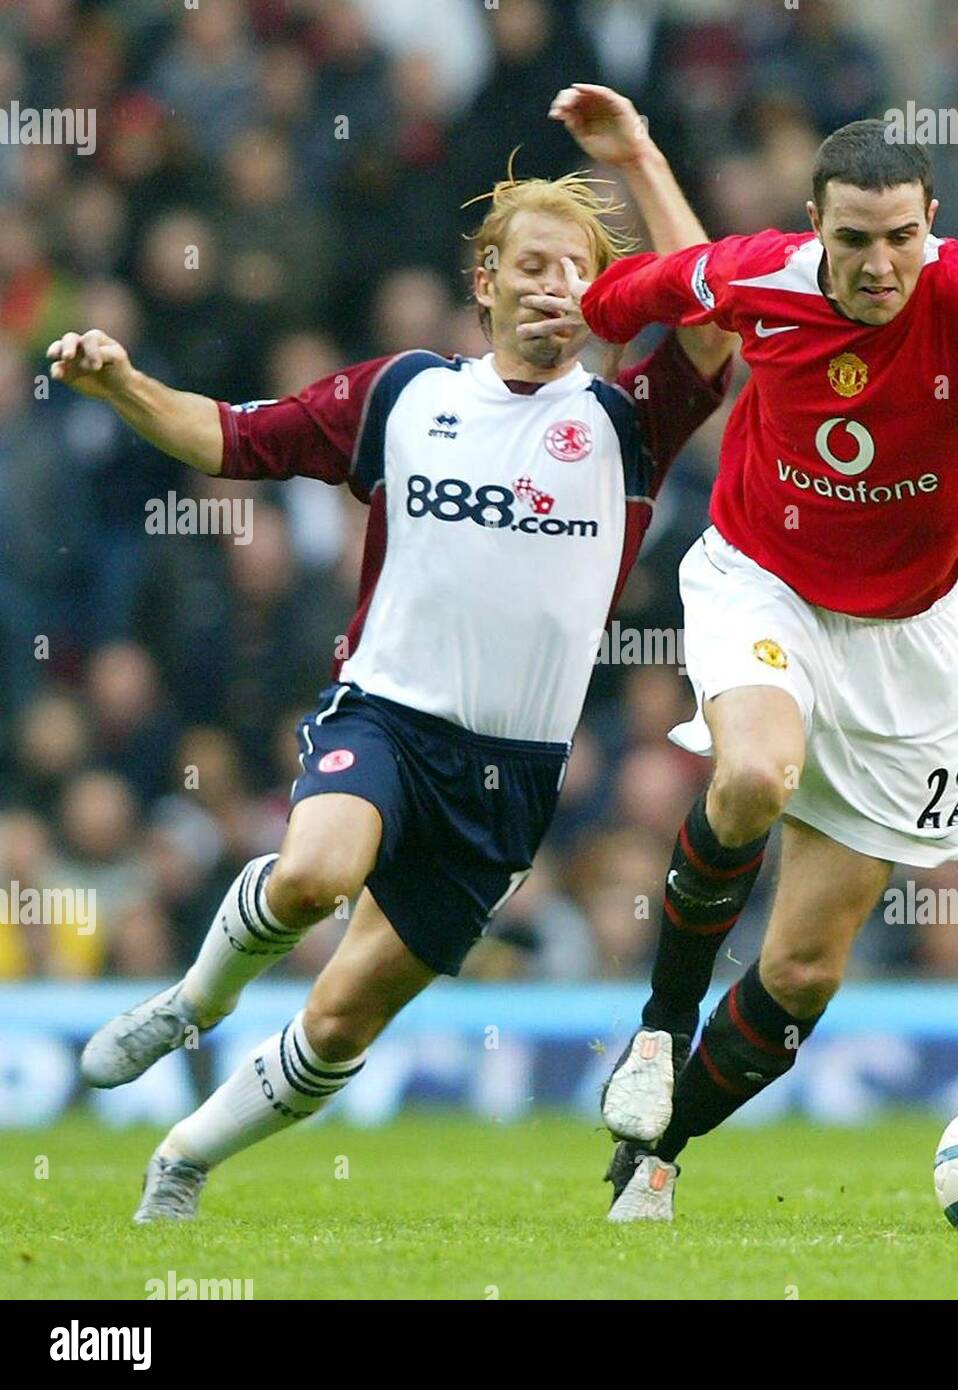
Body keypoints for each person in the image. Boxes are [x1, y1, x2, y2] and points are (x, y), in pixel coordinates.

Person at [60, 84, 734, 1223]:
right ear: (487, 281)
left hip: (509, 778)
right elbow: (227, 436)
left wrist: (642, 153)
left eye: (575, 267)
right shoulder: (406, 395)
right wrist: (122, 380)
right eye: (529, 263)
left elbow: (712, 311)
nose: (551, 285)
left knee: (337, 1021)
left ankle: (179, 1157)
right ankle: (190, 999)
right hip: (384, 715)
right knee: (316, 872)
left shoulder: (628, 423)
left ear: (600, 291)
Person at [576, 118, 958, 1221]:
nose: (877, 266)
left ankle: (659, 1150)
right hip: (760, 583)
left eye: (899, 238)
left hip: (908, 641)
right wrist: (575, 315)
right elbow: (648, 289)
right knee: (753, 776)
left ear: (931, 228)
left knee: (805, 969)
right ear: (814, 227)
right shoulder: (762, 272)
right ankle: (659, 1033)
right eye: (853, 240)